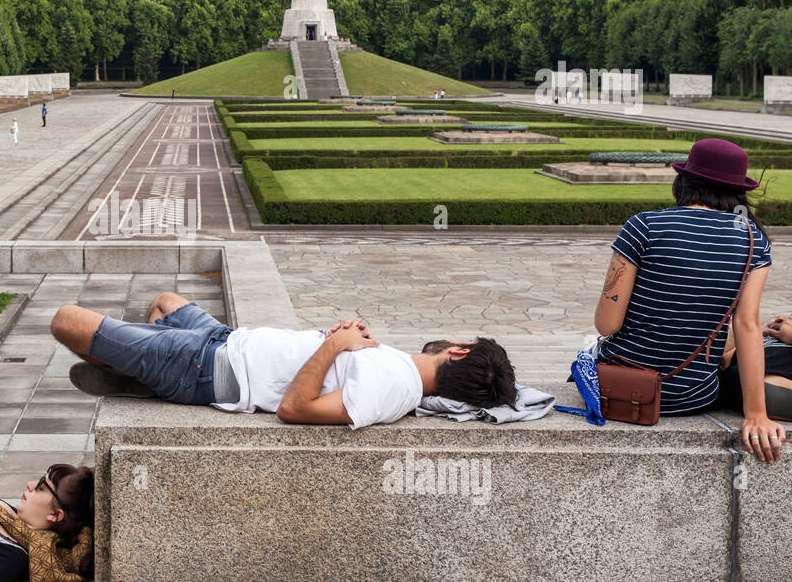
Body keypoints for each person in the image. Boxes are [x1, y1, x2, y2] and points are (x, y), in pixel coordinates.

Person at [49, 294, 516, 427]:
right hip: (227, 340)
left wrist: (334, 344)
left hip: (207, 368)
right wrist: (337, 337)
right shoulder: (398, 371)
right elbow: (331, 364)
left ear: (458, 352)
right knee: (166, 301)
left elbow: (295, 409)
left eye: (460, 340)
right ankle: (133, 373)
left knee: (66, 319)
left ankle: (141, 372)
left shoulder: (393, 391)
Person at [594, 138, 782, 462]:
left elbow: (607, 324)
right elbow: (747, 325)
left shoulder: (643, 226)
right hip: (693, 397)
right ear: (738, 191)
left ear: (684, 180)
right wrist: (756, 414)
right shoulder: (753, 240)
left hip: (621, 390)